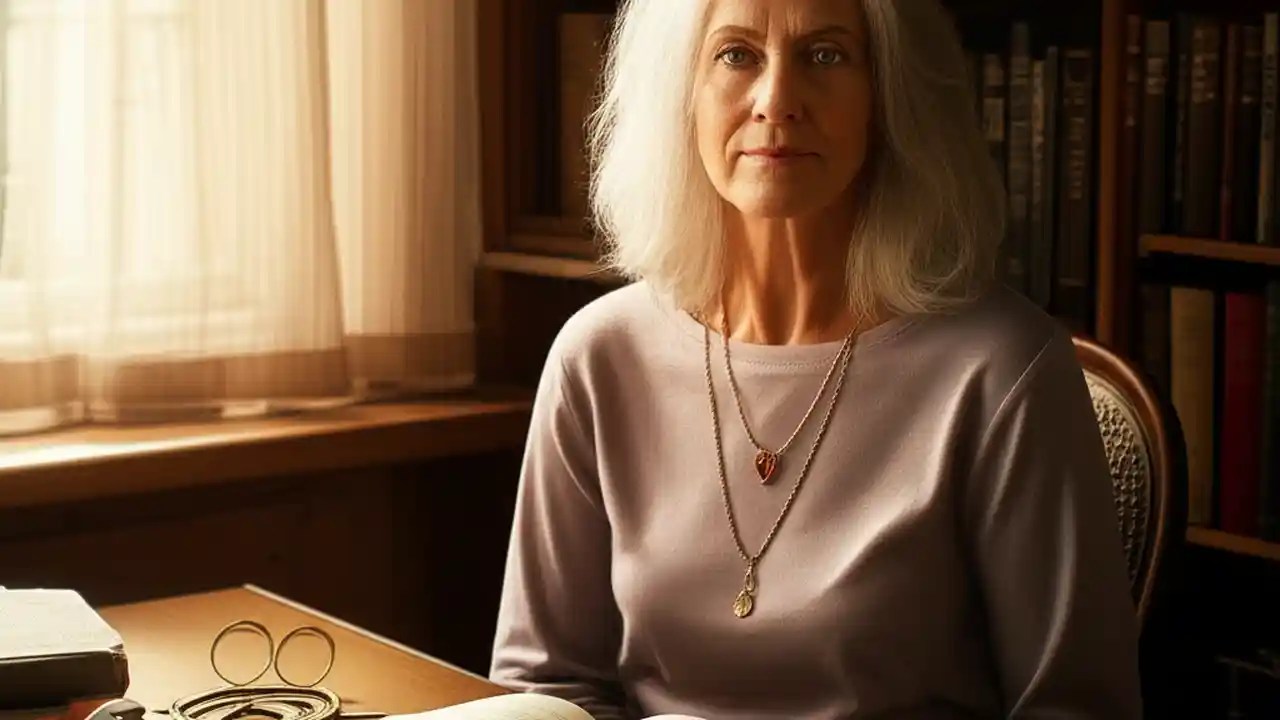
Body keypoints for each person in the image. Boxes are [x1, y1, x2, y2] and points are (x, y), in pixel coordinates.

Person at [489, 0, 1143, 717]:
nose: (777, 101)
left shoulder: (1002, 371)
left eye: (826, 56)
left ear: (890, 98)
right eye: (736, 55)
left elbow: (1076, 710)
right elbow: (544, 688)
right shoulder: (599, 357)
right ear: (681, 95)